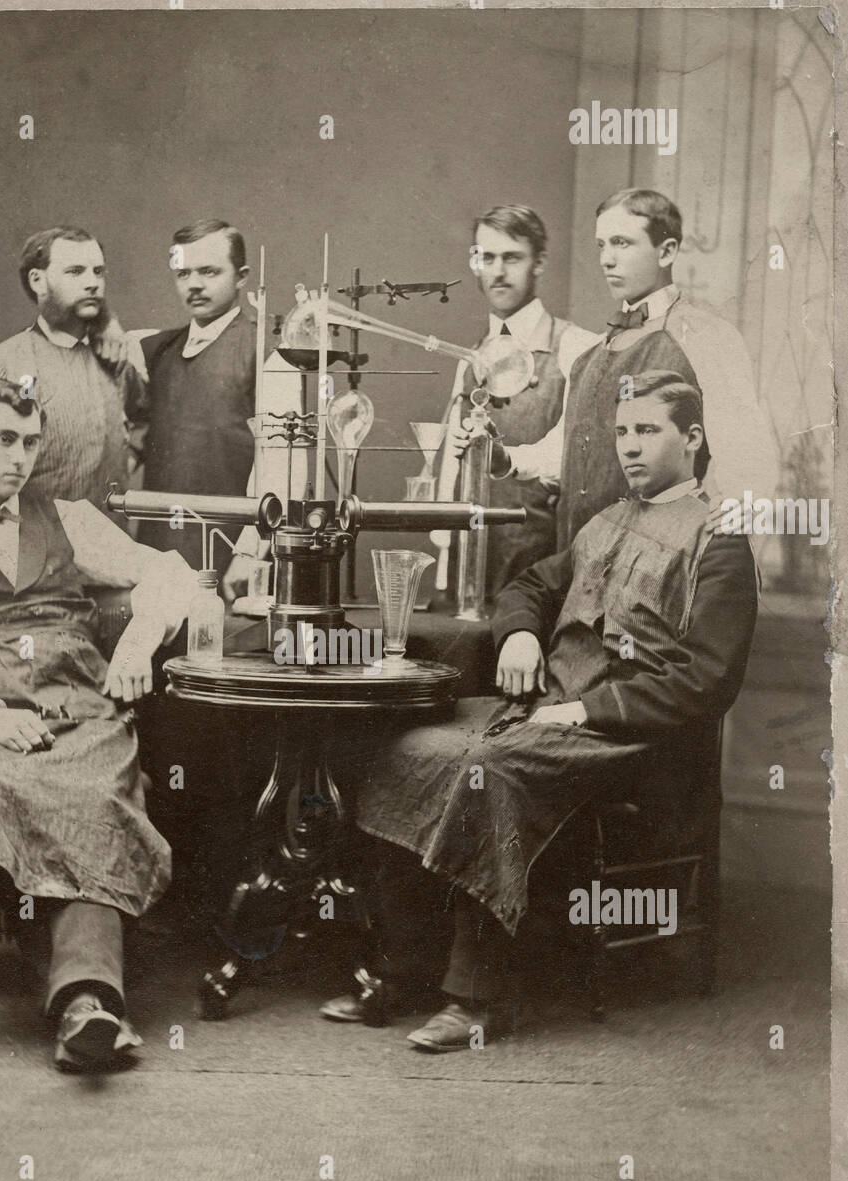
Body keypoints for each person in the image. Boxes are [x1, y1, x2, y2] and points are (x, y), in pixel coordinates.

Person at [321, 371, 758, 1049]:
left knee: (486, 769)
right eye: (621, 432)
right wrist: (522, 634)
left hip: (636, 741)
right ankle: (403, 965)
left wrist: (585, 713)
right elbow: (529, 584)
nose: (629, 448)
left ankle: (478, 1000)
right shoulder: (605, 522)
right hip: (546, 710)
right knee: (406, 740)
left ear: (692, 438)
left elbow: (704, 679)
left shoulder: (719, 538)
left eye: (647, 431)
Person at [0, 380, 198, 1072]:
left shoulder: (68, 519)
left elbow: (169, 574)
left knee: (89, 792)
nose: (20, 457)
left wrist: (140, 642)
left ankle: (86, 1001)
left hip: (78, 707)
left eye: (31, 443)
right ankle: (86, 1002)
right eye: (4, 439)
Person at [476, 188, 780, 550]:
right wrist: (506, 458)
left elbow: (748, 451)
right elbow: (568, 452)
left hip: (657, 565)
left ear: (666, 251)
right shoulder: (591, 354)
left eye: (621, 243)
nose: (607, 259)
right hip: (579, 563)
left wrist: (729, 526)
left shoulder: (705, 336)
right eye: (602, 245)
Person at [433, 205, 597, 602]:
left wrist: (506, 460)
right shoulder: (471, 356)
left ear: (538, 262)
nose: (498, 272)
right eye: (486, 258)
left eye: (512, 257)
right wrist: (444, 558)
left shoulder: (577, 347)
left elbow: (573, 459)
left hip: (542, 562)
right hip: (470, 560)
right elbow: (450, 474)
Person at [136, 218, 303, 586]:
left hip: (227, 559)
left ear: (241, 276)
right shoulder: (156, 352)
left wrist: (249, 553)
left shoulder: (268, 356)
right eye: (183, 273)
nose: (193, 284)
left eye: (209, 271)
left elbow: (282, 470)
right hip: (153, 554)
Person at [0, 227, 146, 514]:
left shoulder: (115, 360)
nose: (92, 283)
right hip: (30, 551)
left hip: (108, 548)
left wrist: (122, 464)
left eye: (98, 272)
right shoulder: (5, 361)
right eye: (75, 271)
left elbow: (146, 420)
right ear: (38, 280)